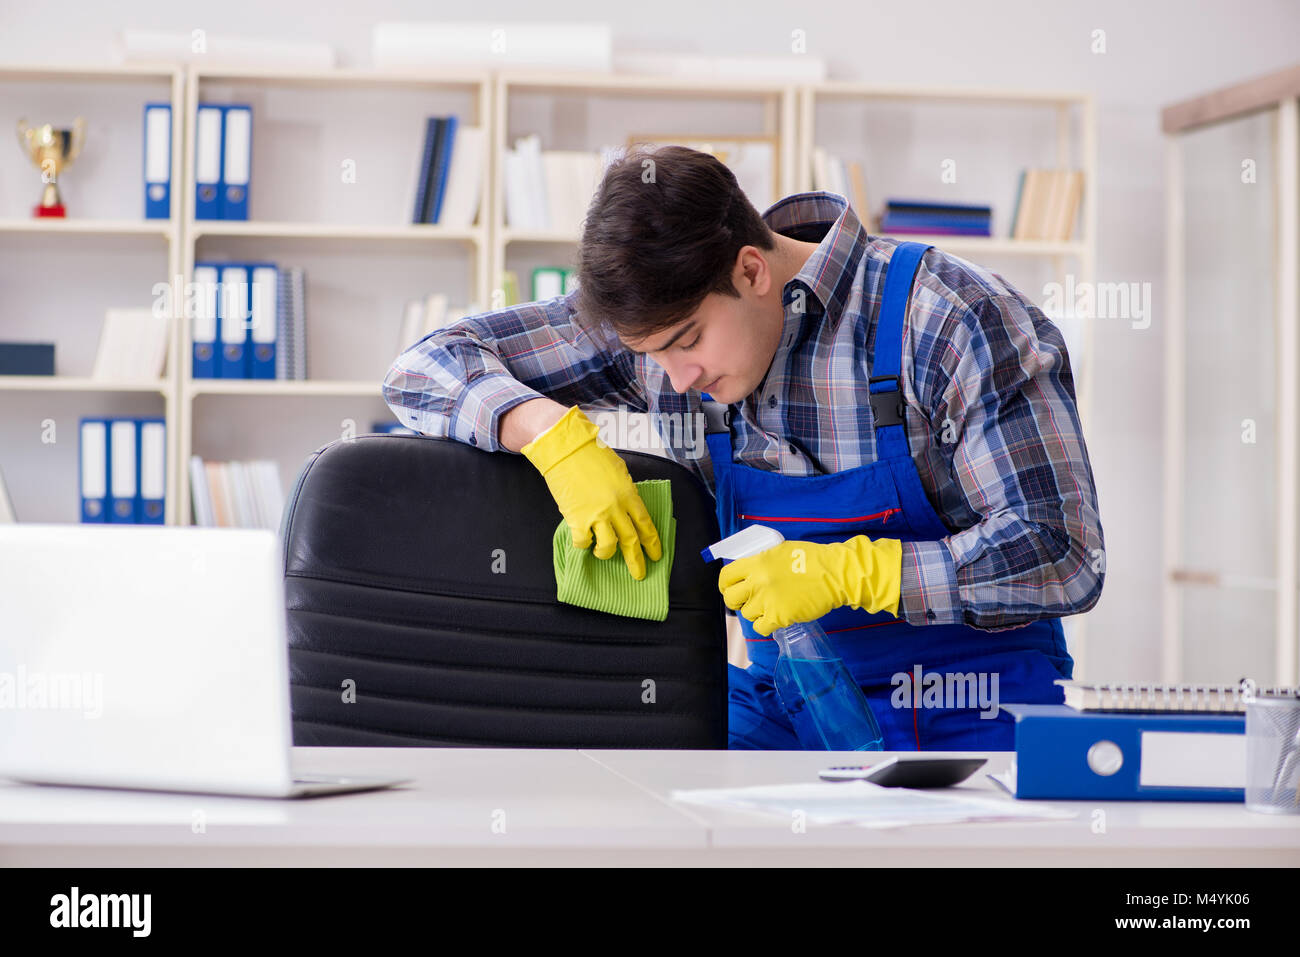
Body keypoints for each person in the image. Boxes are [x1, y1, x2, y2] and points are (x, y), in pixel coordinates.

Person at [383, 145, 1105, 750]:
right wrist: (550, 435)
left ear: (752, 270)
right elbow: (421, 367)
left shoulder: (947, 316)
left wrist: (863, 570)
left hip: (973, 706)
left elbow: (1064, 554)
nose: (678, 378)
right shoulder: (658, 333)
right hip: (788, 703)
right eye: (652, 355)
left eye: (688, 341)